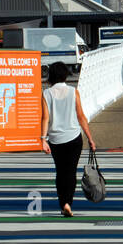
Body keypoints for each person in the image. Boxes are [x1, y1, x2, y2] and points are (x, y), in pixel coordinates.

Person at [41, 60, 95, 217]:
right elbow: (81, 116)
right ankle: (68, 203)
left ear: (51, 76)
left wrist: (43, 139)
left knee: (60, 171)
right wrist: (90, 138)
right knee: (71, 171)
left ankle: (62, 201)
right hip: (74, 138)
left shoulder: (46, 94)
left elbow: (45, 118)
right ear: (65, 75)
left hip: (56, 139)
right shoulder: (73, 92)